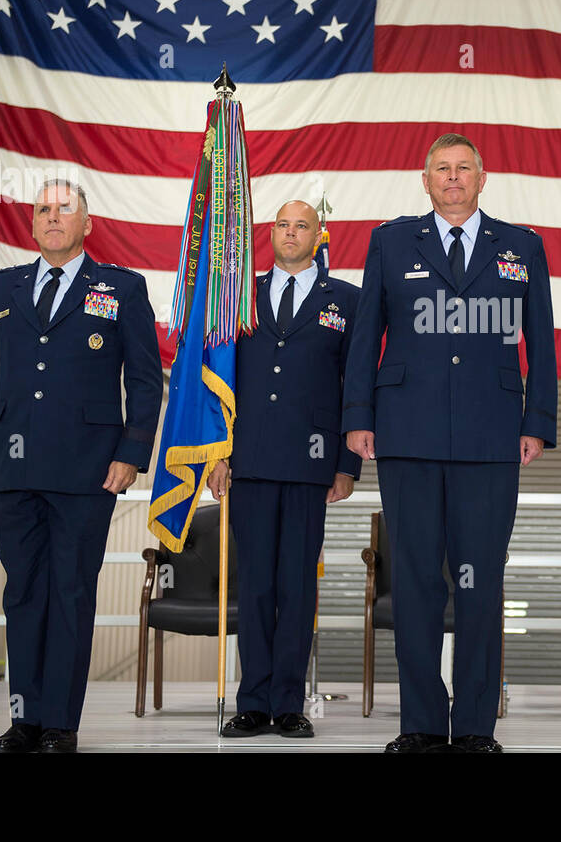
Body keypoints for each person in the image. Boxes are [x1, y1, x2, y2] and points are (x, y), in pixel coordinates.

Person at [343, 133, 558, 753]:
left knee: (479, 581)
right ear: (426, 178)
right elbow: (365, 336)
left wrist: (536, 419)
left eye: (465, 168)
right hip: (406, 431)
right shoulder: (390, 240)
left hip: (492, 435)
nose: (454, 178)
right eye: (443, 168)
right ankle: (419, 725)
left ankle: (472, 726)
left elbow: (540, 337)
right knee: (413, 581)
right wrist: (359, 414)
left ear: (483, 178)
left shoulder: (521, 246)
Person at [0, 179, 163, 753]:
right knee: (23, 592)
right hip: (15, 468)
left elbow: (145, 381)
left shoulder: (122, 288)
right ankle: (23, 718)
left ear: (87, 223)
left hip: (89, 470)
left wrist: (131, 453)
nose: (53, 217)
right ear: (32, 224)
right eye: (43, 210)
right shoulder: (2, 286)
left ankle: (59, 724)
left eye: (64, 209)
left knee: (72, 594)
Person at [206, 200, 360, 739]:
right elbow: (218, 376)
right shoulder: (238, 297)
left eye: (301, 226)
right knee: (254, 586)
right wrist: (217, 452)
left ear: (320, 236)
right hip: (247, 458)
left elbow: (354, 387)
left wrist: (347, 464)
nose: (290, 233)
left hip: (311, 461)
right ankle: (253, 702)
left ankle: (289, 702)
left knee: (296, 585)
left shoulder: (346, 300)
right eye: (281, 225)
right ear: (270, 233)